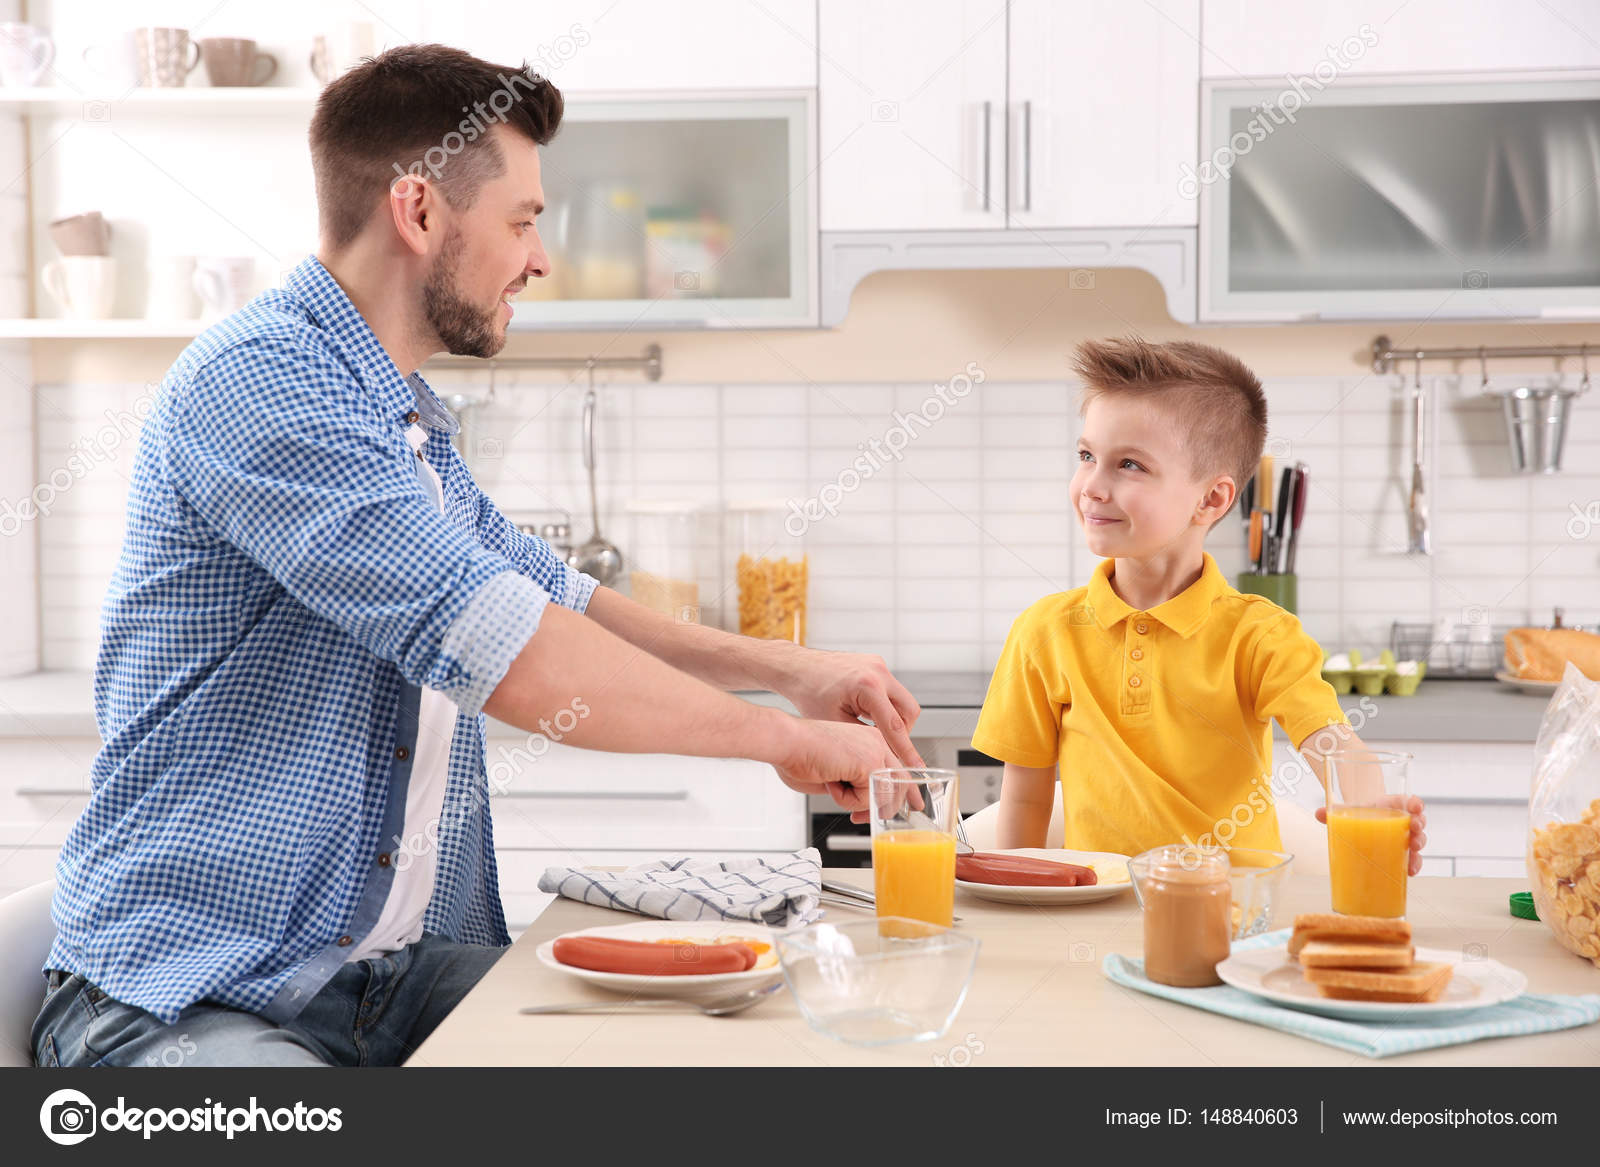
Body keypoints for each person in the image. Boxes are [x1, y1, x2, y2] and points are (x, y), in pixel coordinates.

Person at [32, 45, 921, 1068]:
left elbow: (558, 599)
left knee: (724, 1040)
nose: (539, 258)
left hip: (391, 985)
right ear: (418, 213)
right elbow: (515, 653)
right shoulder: (259, 385)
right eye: (523, 219)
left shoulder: (404, 419)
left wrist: (796, 674)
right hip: (193, 993)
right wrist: (778, 743)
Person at [972, 336, 1426, 867]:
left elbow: (1332, 743)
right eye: (1087, 456)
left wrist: (1371, 805)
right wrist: (1020, 898)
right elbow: (1026, 798)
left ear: (1211, 499)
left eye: (1130, 466)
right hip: (1100, 914)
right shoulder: (1044, 631)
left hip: (1234, 915)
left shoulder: (1259, 635)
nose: (1092, 486)